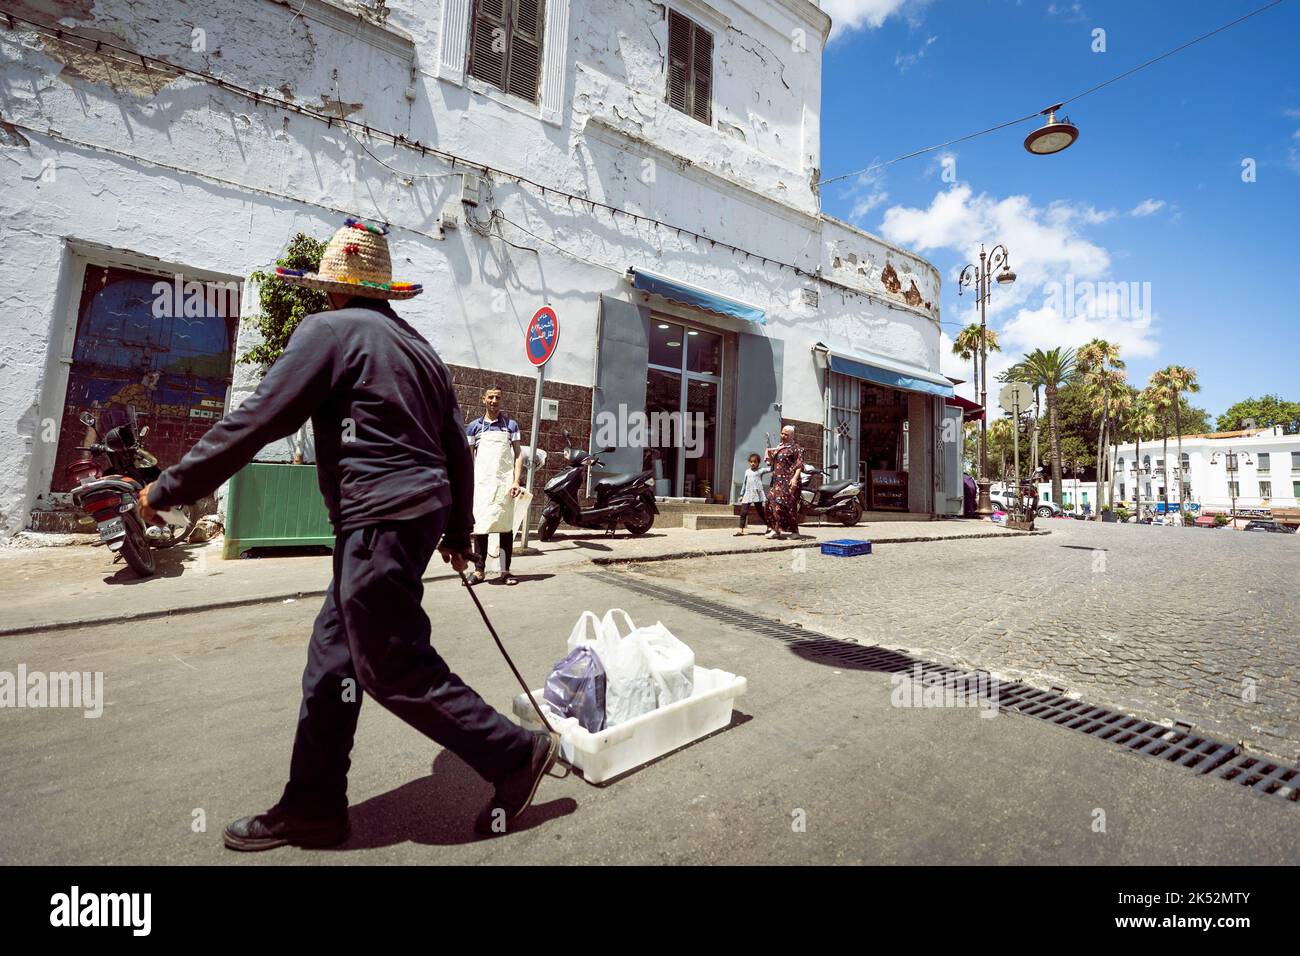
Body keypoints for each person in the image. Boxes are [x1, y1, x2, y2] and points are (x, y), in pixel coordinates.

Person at [139, 219, 558, 850]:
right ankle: (312, 806)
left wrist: (165, 489)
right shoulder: (420, 349)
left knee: (389, 663)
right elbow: (454, 448)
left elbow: (258, 420)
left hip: (380, 516)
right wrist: (458, 532)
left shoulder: (328, 331)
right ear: (381, 290)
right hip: (412, 515)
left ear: (334, 289)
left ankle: (512, 752)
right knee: (334, 661)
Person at [466, 387, 523, 586]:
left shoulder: (511, 426)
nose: (494, 400)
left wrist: (516, 481)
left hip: (504, 485)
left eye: (497, 397)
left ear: (501, 400)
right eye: (490, 397)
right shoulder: (474, 427)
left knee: (505, 528)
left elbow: (518, 455)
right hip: (481, 484)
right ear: (484, 399)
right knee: (480, 527)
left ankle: (505, 571)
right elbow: (468, 457)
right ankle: (479, 571)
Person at [764, 425, 804, 540]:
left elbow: (799, 465)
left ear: (791, 435)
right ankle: (776, 530)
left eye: (786, 434)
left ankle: (795, 531)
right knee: (770, 503)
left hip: (789, 481)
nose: (783, 436)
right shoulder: (779, 447)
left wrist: (795, 479)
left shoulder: (796, 448)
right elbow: (774, 463)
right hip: (776, 481)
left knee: (788, 506)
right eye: (782, 433)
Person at [734, 453, 768, 536]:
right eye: (751, 462)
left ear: (758, 463)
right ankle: (740, 529)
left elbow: (771, 469)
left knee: (760, 512)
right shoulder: (747, 471)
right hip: (747, 494)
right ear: (749, 462)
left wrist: (771, 461)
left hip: (757, 494)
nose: (753, 463)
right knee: (743, 512)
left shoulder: (760, 471)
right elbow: (744, 483)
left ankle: (769, 526)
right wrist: (741, 494)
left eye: (755, 462)